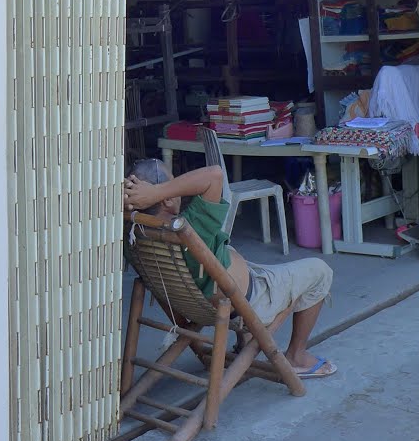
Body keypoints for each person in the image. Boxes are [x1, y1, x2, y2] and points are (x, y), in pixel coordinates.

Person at [123, 158, 337, 379]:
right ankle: (296, 356)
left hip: (199, 301)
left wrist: (145, 195)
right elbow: (214, 175)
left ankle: (244, 339)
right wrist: (157, 191)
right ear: (165, 198)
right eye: (172, 184)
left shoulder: (133, 234)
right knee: (319, 270)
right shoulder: (191, 227)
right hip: (248, 302)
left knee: (232, 254)